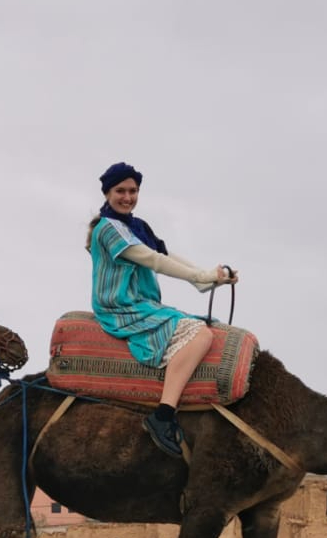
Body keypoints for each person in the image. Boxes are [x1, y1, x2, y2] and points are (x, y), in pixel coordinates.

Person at [87, 161, 238, 458]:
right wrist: (203, 277)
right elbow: (153, 260)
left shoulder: (137, 226)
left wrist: (212, 276)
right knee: (200, 336)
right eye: (120, 191)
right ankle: (163, 415)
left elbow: (166, 255)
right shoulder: (108, 230)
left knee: (214, 330)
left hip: (144, 304)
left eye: (133, 191)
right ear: (107, 193)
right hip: (121, 307)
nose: (127, 197)